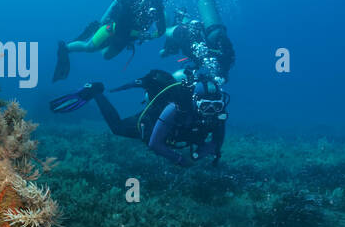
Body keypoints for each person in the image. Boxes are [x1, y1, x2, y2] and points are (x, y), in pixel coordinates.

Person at [50, 68, 229, 167]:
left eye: (216, 106)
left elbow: (216, 143)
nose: (210, 111)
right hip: (153, 122)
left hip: (178, 132)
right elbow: (154, 143)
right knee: (117, 128)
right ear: (195, 101)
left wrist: (197, 156)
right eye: (205, 106)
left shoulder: (217, 116)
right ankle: (96, 92)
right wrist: (181, 160)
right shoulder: (175, 108)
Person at [52, 0, 167, 82]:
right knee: (89, 48)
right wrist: (139, 34)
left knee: (107, 56)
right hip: (112, 28)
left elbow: (161, 30)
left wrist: (152, 35)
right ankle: (65, 48)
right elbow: (121, 27)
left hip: (127, 38)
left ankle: (98, 36)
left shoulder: (157, 5)